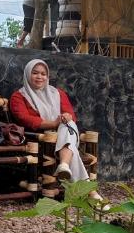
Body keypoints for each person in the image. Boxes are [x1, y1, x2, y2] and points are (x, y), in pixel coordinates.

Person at [10, 59, 101, 199]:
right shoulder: (19, 96)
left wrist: (65, 117)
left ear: (47, 76)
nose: (39, 77)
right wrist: (53, 123)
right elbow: (24, 119)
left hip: (63, 132)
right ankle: (89, 191)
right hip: (39, 139)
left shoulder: (57, 93)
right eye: (35, 73)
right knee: (71, 147)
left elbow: (71, 115)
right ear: (28, 74)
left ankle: (64, 165)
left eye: (43, 74)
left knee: (68, 124)